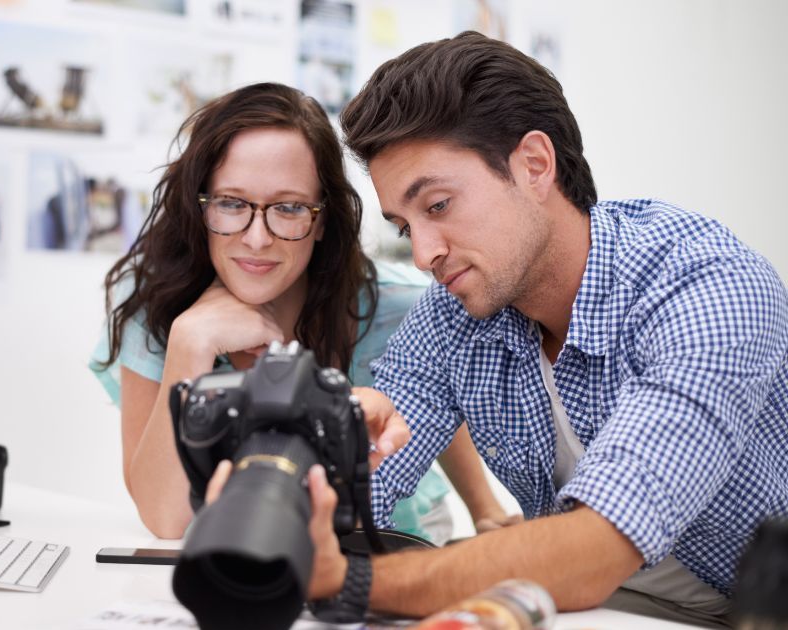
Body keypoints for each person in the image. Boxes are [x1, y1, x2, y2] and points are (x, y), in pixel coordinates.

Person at [238, 31, 787, 628]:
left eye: (439, 206)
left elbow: (599, 546)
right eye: (404, 226)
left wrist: (351, 581)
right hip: (598, 606)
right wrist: (310, 470)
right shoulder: (454, 315)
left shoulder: (706, 285)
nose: (423, 254)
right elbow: (362, 482)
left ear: (534, 165)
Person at [90, 82, 514, 542]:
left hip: (387, 542)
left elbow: (434, 399)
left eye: (289, 208)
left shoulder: (401, 305)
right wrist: (190, 342)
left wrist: (484, 508)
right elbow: (164, 519)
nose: (256, 238)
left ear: (322, 221)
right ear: (200, 207)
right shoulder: (156, 302)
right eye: (232, 203)